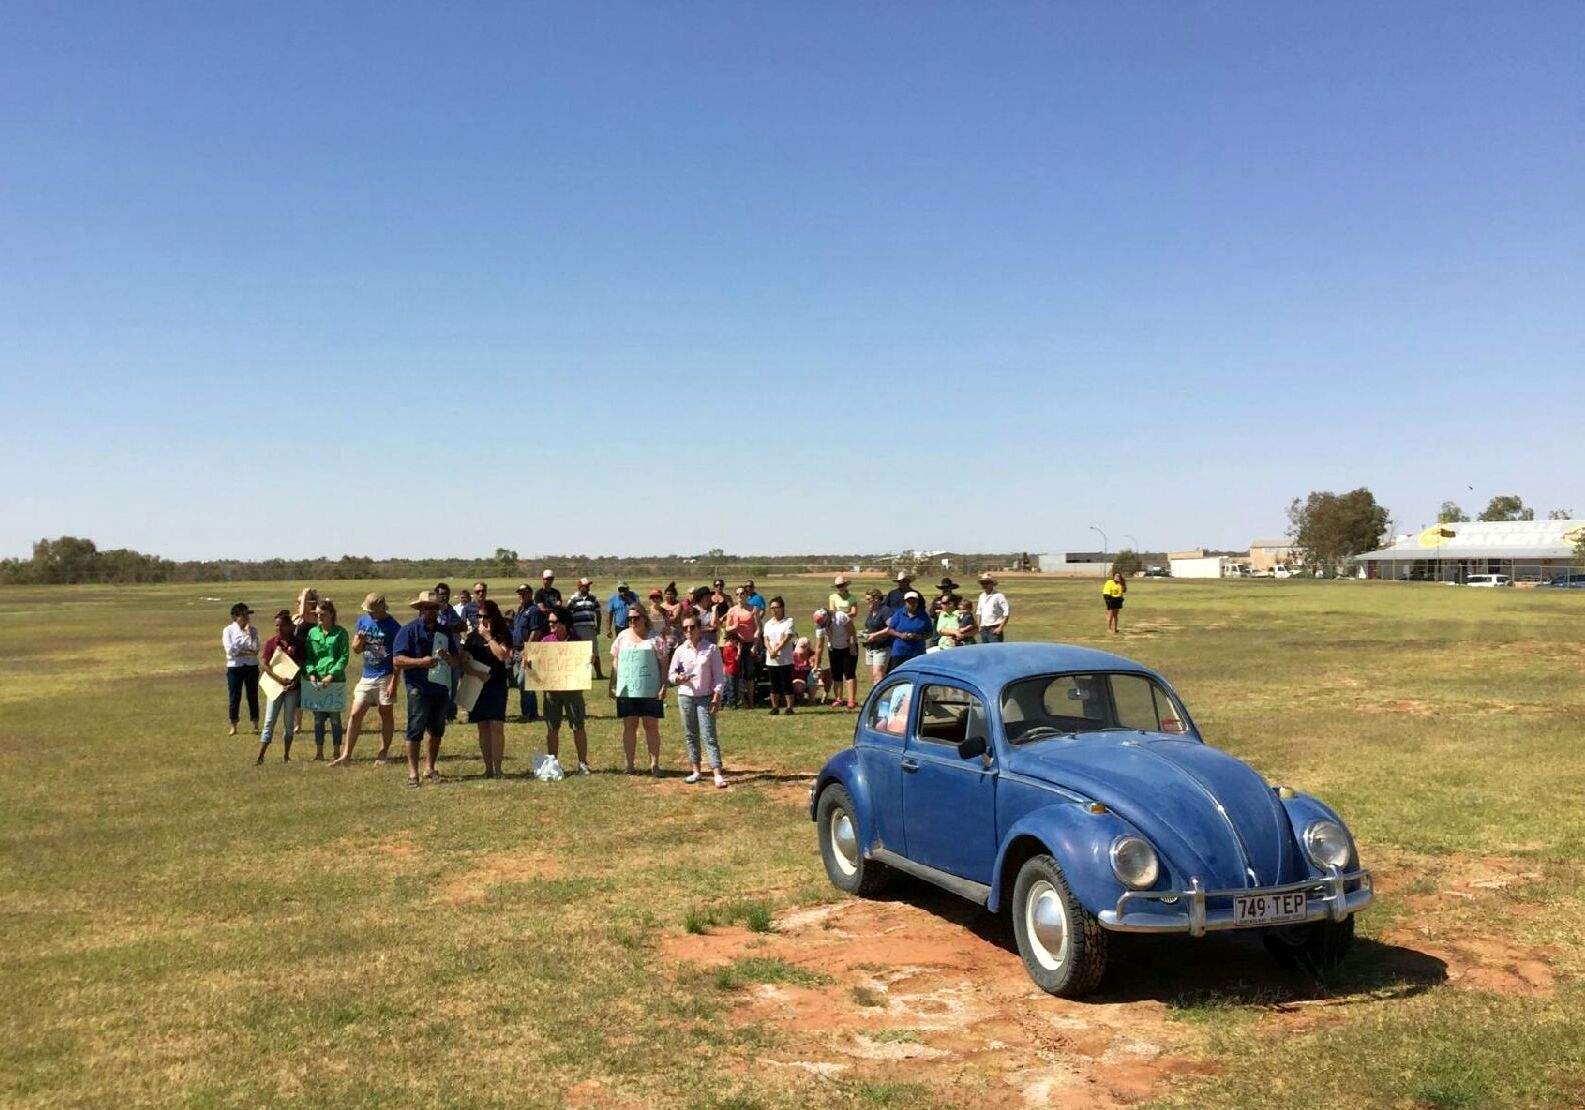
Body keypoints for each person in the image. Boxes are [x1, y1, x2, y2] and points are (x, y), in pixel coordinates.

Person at [392, 591, 460, 787]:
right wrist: (420, 662)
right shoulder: (408, 630)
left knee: (437, 730)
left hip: (440, 688)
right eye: (427, 607)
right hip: (418, 688)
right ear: (420, 609)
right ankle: (413, 773)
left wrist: (450, 658)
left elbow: (457, 660)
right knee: (415, 729)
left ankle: (429, 768)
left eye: (434, 608)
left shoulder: (445, 631)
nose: (430, 611)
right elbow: (397, 660)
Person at [331, 593, 400, 765]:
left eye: (372, 611)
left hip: (386, 674)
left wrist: (394, 682)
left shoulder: (393, 627)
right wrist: (359, 641)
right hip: (367, 674)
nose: (369, 614)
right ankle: (346, 755)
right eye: (367, 611)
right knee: (355, 713)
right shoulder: (363, 621)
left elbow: (398, 657)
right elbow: (355, 649)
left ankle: (383, 754)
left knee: (385, 714)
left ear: (382, 609)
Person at [667, 614, 727, 788]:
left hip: (705, 697)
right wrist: (678, 679)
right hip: (685, 696)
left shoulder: (711, 649)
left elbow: (719, 676)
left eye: (692, 627)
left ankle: (717, 773)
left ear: (699, 629)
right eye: (685, 628)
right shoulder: (680, 650)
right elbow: (671, 675)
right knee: (690, 734)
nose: (688, 631)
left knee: (708, 734)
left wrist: (716, 696)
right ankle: (696, 771)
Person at [534, 609, 591, 775]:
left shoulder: (576, 641)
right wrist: (529, 663)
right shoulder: (545, 641)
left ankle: (582, 763)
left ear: (564, 623)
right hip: (551, 692)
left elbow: (583, 664)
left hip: (573, 690)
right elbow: (538, 666)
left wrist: (589, 659)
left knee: (578, 726)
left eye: (554, 622)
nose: (550, 625)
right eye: (549, 622)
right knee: (552, 728)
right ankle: (553, 763)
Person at [611, 608, 666, 776]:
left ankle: (654, 765)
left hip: (650, 689)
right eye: (629, 619)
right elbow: (616, 661)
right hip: (627, 690)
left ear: (643, 618)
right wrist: (612, 683)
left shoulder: (655, 637)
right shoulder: (622, 636)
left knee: (651, 726)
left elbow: (664, 662)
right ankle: (629, 765)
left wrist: (664, 685)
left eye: (635, 618)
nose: (632, 621)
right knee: (629, 726)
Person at [462, 599, 512, 778]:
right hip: (477, 685)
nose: (482, 620)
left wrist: (489, 638)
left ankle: (498, 769)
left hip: (497, 684)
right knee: (482, 726)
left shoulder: (503, 633)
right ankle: (488, 768)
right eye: (479, 616)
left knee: (496, 726)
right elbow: (464, 662)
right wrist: (476, 673)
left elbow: (502, 656)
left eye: (486, 616)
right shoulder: (472, 636)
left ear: (494, 616)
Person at [303, 597, 349, 760]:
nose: (319, 617)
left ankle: (337, 751)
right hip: (316, 682)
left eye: (323, 614)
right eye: (317, 614)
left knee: (335, 719)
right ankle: (319, 752)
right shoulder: (312, 633)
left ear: (331, 614)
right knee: (318, 719)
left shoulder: (341, 633)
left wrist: (331, 675)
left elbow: (343, 657)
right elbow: (308, 657)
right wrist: (311, 673)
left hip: (335, 681)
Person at [257, 609, 305, 764]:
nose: (278, 628)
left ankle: (286, 755)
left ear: (289, 626)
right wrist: (279, 680)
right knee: (269, 721)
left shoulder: (298, 643)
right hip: (275, 688)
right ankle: (260, 756)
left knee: (288, 723)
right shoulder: (272, 643)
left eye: (281, 625)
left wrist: (293, 682)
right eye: (276, 625)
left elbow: (302, 664)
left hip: (292, 689)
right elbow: (264, 664)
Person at [222, 602, 260, 736]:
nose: (246, 618)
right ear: (235, 617)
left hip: (251, 666)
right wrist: (244, 645)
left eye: (247, 615)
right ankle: (234, 725)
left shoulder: (253, 630)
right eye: (243, 615)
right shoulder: (228, 630)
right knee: (234, 697)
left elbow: (255, 648)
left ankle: (255, 724)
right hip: (235, 667)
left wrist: (244, 647)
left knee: (253, 695)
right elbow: (231, 650)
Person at [722, 586, 762, 709]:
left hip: (749, 644)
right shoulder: (732, 611)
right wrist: (735, 626)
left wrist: (755, 645)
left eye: (743, 593)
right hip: (735, 645)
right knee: (735, 673)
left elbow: (758, 628)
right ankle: (738, 700)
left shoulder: (753, 609)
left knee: (749, 674)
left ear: (746, 595)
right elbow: (727, 628)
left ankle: (750, 702)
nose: (740, 596)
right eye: (738, 594)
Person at [814, 606, 859, 709]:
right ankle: (838, 699)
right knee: (836, 674)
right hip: (834, 648)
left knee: (849, 673)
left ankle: (851, 700)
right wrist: (816, 664)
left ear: (828, 617)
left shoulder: (840, 617)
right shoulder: (819, 627)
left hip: (849, 645)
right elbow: (819, 646)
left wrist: (852, 646)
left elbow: (852, 631)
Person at [432, 583, 466, 720]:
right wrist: (450, 628)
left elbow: (462, 625)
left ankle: (451, 714)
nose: (444, 596)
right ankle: (439, 713)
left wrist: (449, 628)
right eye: (441, 594)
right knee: (439, 684)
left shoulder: (450, 611)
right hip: (438, 654)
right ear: (436, 595)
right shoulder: (432, 611)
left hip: (453, 653)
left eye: (446, 594)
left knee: (452, 683)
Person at [510, 584, 543, 722]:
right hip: (517, 650)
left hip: (527, 651)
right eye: (520, 593)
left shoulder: (534, 610)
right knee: (527, 683)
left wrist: (527, 650)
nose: (521, 595)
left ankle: (526, 714)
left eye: (524, 593)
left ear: (530, 594)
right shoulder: (520, 610)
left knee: (522, 681)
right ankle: (532, 713)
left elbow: (536, 631)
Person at [761, 596, 797, 715]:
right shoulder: (768, 624)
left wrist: (776, 650)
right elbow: (765, 639)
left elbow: (787, 637)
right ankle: (775, 707)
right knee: (774, 684)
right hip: (771, 659)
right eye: (772, 608)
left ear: (782, 608)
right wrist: (771, 650)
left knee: (787, 683)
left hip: (785, 659)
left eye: (776, 607)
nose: (774, 610)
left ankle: (789, 707)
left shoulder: (788, 621)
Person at [565, 576, 605, 679]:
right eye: (586, 586)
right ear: (580, 587)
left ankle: (599, 674)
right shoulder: (573, 598)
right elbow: (568, 613)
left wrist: (598, 627)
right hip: (577, 628)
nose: (588, 588)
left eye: (588, 586)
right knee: (579, 652)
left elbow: (598, 613)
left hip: (590, 628)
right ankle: (580, 674)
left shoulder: (593, 598)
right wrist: (569, 628)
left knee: (594, 651)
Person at [883, 591, 933, 670]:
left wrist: (919, 636)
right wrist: (901, 635)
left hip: (917, 651)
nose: (911, 603)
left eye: (914, 601)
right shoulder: (899, 613)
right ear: (905, 602)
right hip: (899, 651)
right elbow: (890, 630)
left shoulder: (924, 615)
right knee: (898, 675)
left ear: (917, 602)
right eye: (909, 601)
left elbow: (930, 632)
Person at [861, 589, 894, 686]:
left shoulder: (885, 610)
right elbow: (870, 626)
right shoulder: (872, 611)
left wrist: (875, 635)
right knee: (874, 676)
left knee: (878, 675)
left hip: (881, 648)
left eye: (868, 599)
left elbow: (891, 627)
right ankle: (876, 698)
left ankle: (882, 698)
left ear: (876, 599)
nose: (867, 602)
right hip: (870, 648)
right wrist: (864, 634)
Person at [975, 574, 1011, 643]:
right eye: (982, 583)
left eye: (987, 583)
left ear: (992, 584)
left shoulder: (999, 596)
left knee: (995, 651)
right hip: (984, 629)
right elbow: (979, 612)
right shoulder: (981, 596)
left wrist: (1000, 627)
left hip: (994, 629)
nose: (984, 585)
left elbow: (1006, 611)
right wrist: (979, 627)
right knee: (985, 651)